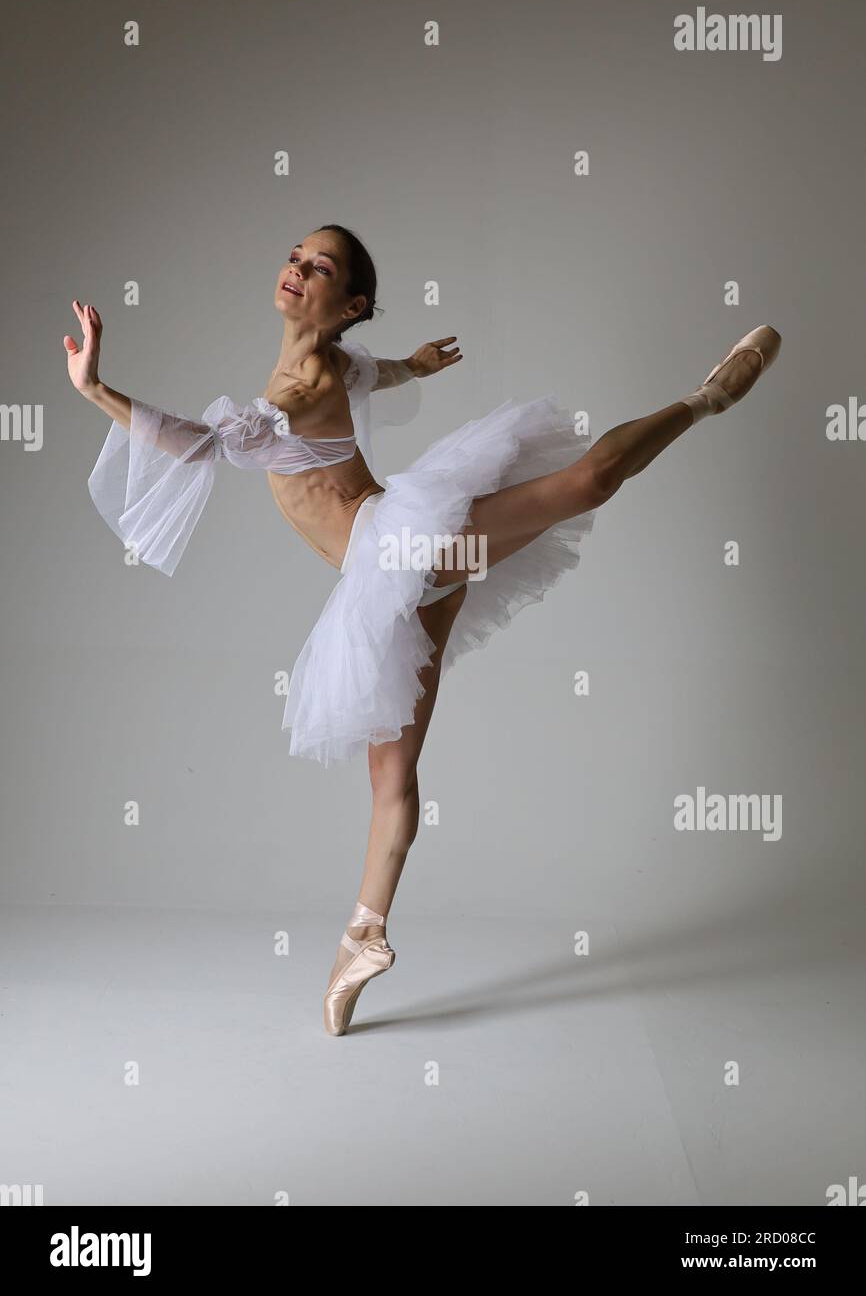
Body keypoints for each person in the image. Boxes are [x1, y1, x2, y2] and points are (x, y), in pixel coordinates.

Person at [68, 223, 782, 1034]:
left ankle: (706, 397)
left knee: (586, 483)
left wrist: (96, 388)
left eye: (320, 267)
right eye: (296, 257)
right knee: (391, 782)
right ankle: (362, 938)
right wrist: (418, 363)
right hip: (398, 582)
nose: (298, 269)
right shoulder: (330, 364)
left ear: (350, 303)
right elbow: (380, 371)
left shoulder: (303, 379)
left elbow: (197, 445)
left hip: (403, 547)